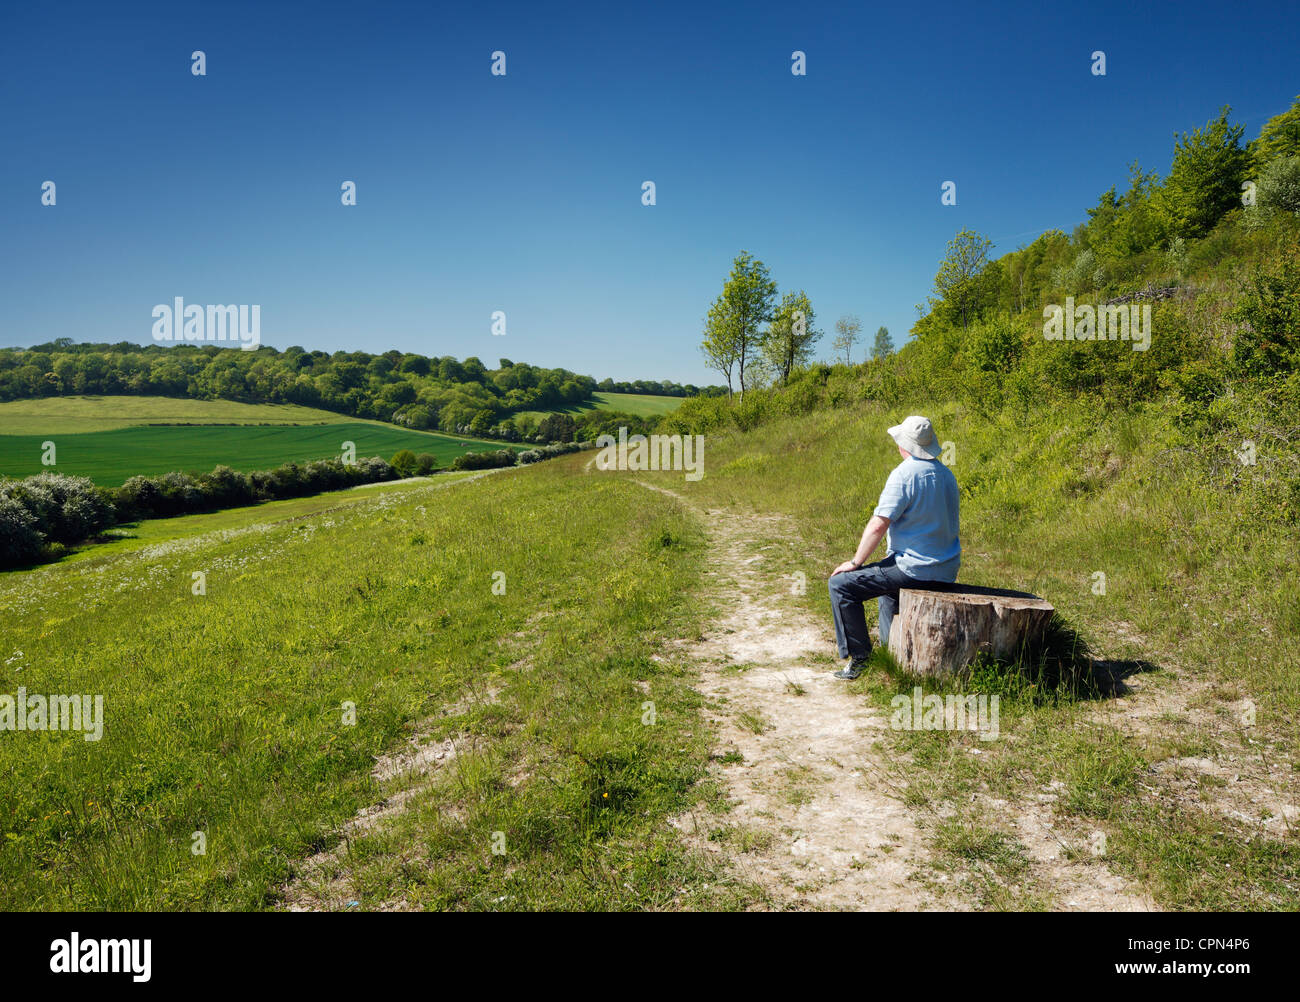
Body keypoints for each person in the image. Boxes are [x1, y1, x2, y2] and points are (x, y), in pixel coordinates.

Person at [827, 415, 961, 680]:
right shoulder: (947, 474)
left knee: (841, 586)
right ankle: (893, 658)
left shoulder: (904, 474)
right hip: (947, 568)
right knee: (888, 590)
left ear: (905, 445)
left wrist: (854, 563)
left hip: (914, 568)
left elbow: (879, 525)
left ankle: (861, 659)